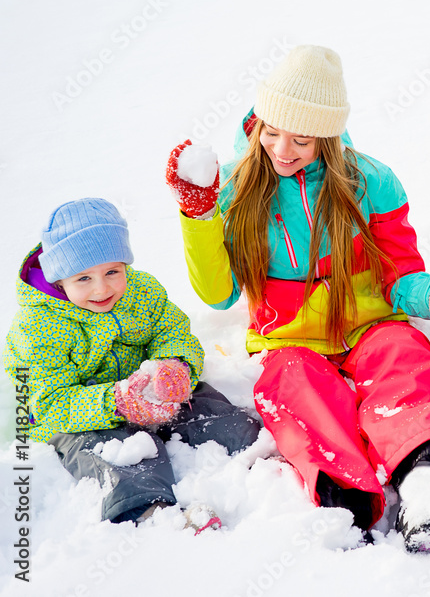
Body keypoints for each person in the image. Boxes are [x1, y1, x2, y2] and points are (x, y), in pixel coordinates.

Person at [166, 45, 430, 553]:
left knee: (402, 358)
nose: (282, 149)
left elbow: (401, 276)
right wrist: (198, 218)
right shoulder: (235, 186)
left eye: (301, 138)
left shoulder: (371, 182)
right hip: (290, 341)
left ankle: (420, 487)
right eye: (271, 132)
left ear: (329, 137)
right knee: (296, 391)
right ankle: (346, 500)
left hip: (369, 324)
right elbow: (219, 293)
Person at [4, 198, 261, 530]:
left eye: (113, 271)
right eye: (83, 279)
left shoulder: (141, 291)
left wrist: (175, 365)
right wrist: (116, 402)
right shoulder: (35, 327)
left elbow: (171, 329)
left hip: (148, 392)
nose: (102, 288)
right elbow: (49, 402)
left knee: (210, 409)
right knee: (118, 455)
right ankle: (153, 511)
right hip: (79, 418)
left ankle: (260, 452)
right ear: (58, 281)